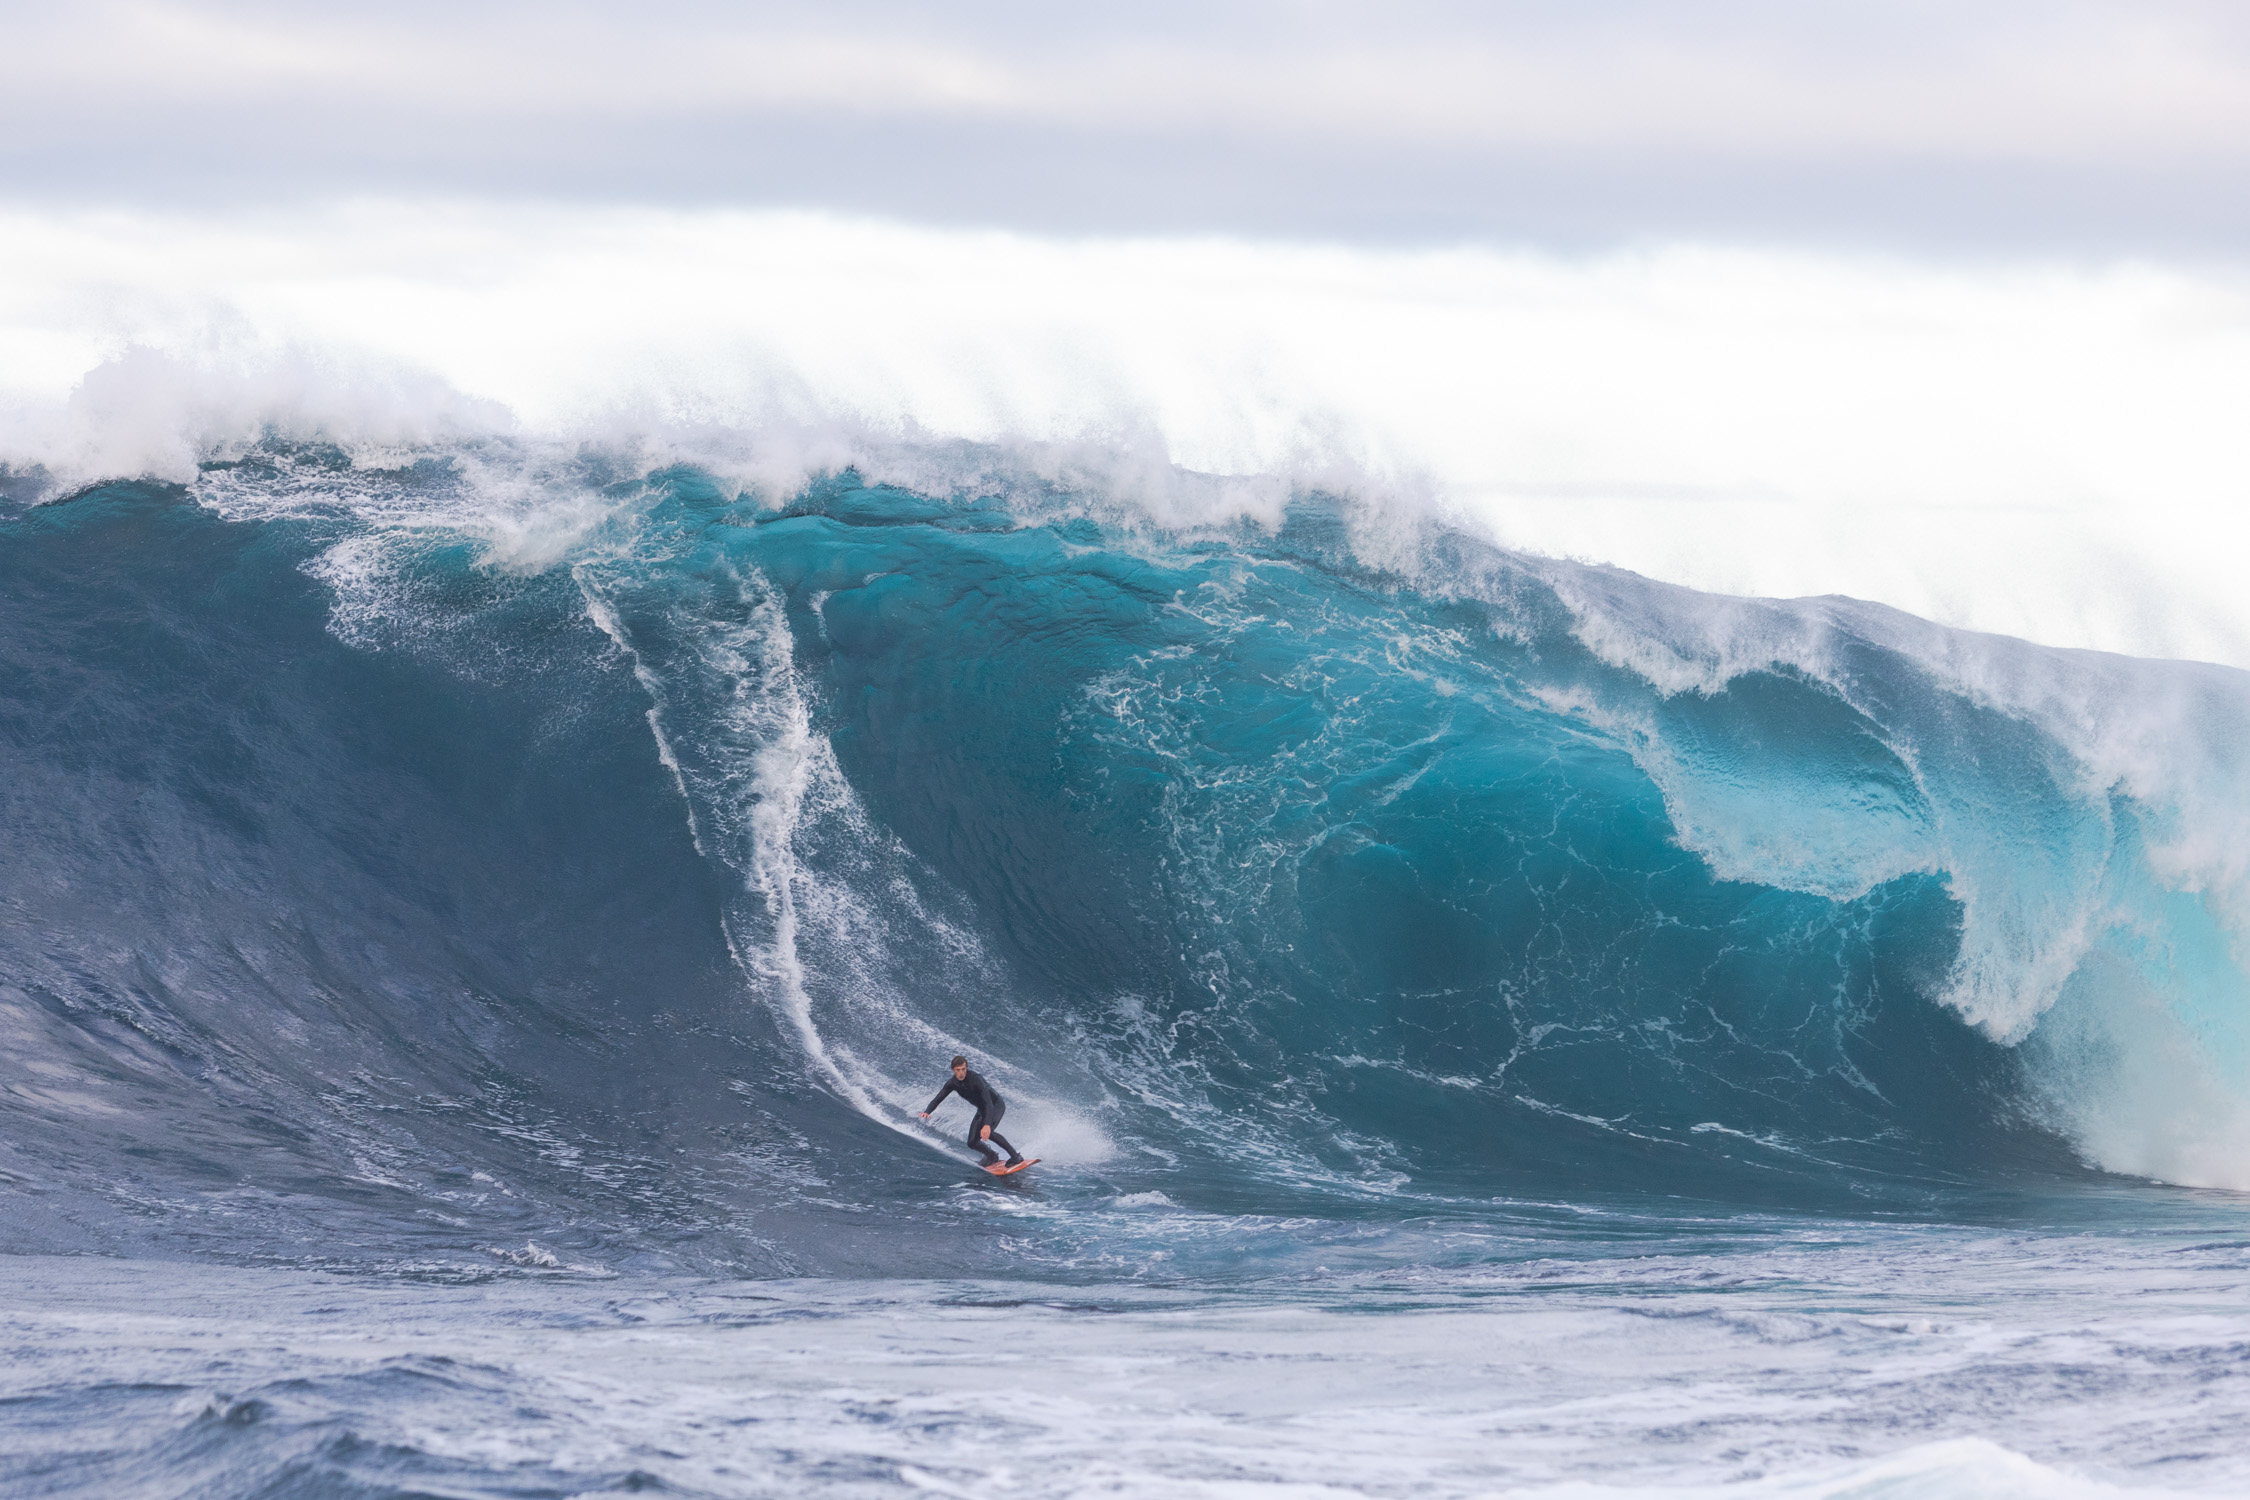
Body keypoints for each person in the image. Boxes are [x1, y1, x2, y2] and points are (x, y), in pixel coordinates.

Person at [919, 1055, 1024, 1169]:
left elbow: (988, 1103)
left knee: (989, 1132)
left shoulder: (976, 1079)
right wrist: (927, 1111)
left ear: (966, 1068)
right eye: (958, 1070)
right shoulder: (952, 1083)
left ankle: (1015, 1156)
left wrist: (986, 1125)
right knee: (972, 1142)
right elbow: (939, 1098)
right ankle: (992, 1156)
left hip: (995, 1105)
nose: (961, 1073)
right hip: (982, 1109)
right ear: (953, 1070)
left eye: (963, 1069)